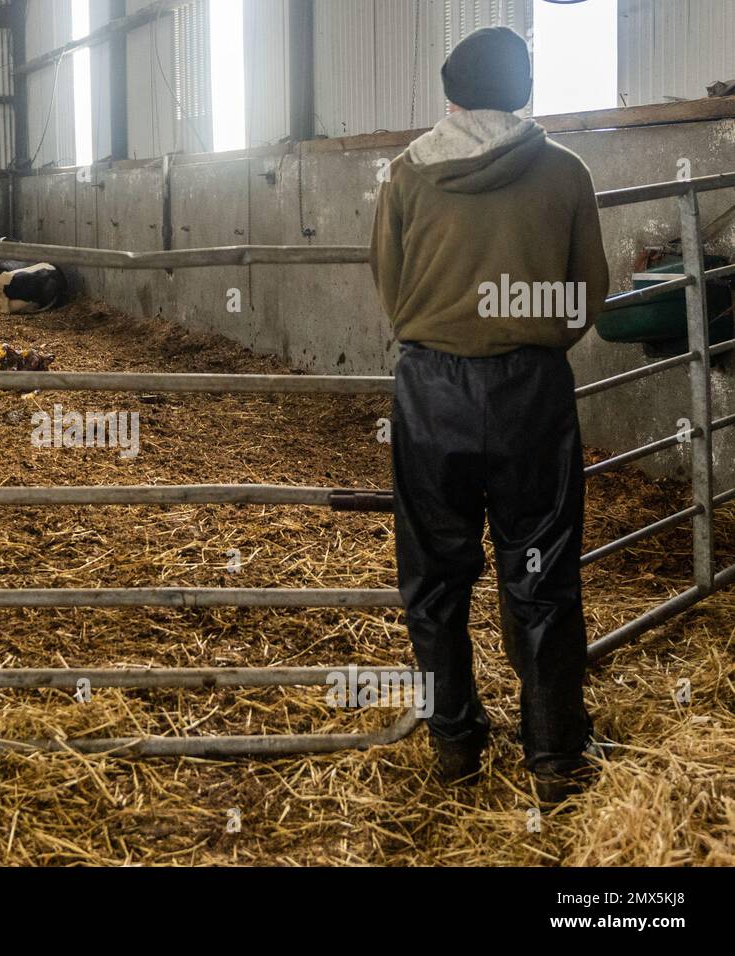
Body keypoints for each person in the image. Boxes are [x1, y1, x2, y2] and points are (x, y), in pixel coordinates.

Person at [369, 26, 611, 805]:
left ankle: (456, 747)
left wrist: (444, 330)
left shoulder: (407, 174)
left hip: (431, 391)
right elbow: (587, 297)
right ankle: (554, 753)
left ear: (451, 95)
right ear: (525, 93)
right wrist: (530, 342)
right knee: (539, 568)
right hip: (529, 395)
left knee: (436, 578)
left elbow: (391, 284)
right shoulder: (566, 173)